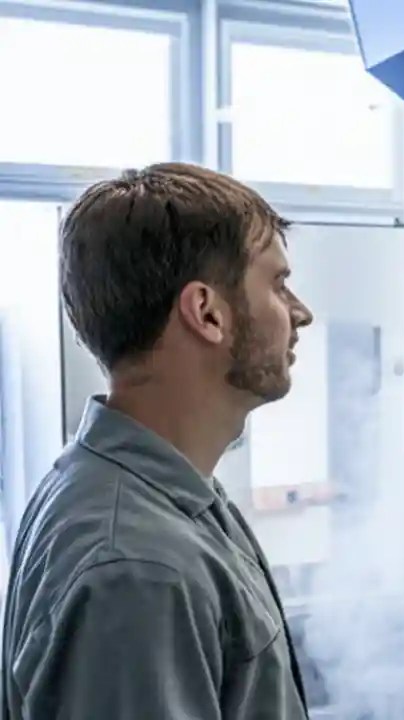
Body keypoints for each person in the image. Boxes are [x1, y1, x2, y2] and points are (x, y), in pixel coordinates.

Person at [1, 163, 314, 719]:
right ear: (207, 313)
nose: (300, 313)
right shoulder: (138, 568)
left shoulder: (159, 495)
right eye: (277, 283)